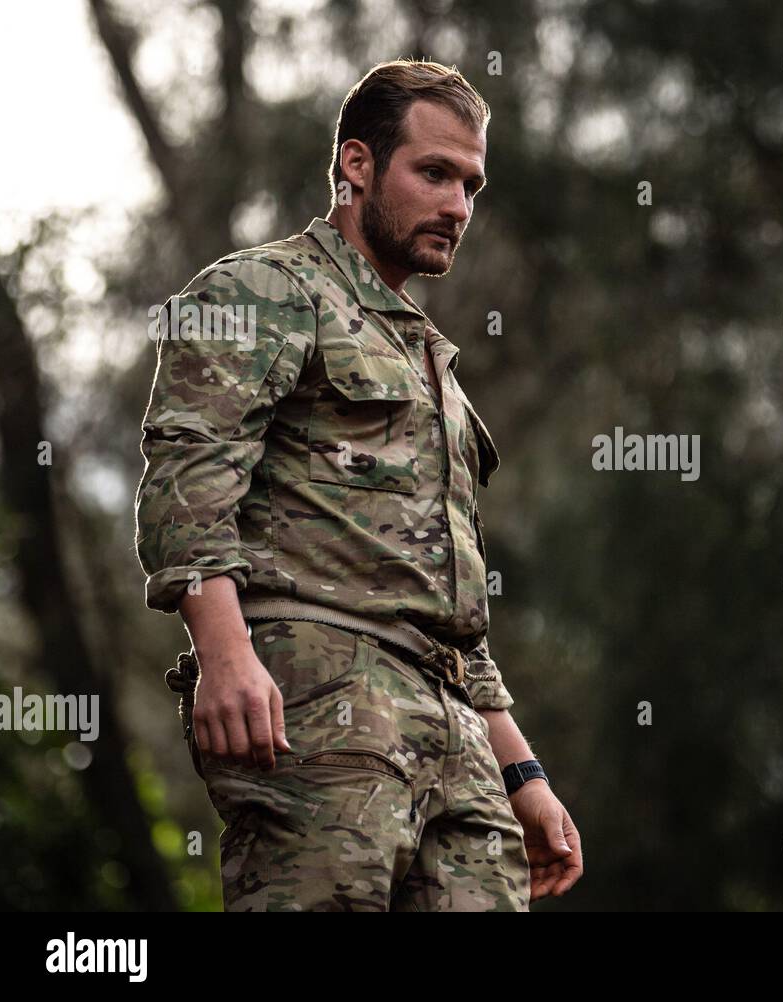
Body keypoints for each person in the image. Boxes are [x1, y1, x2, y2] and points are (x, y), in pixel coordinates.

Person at [135, 59, 582, 911]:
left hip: (454, 732)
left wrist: (521, 770)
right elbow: (186, 480)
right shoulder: (263, 291)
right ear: (357, 165)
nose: (458, 206)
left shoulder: (427, 357)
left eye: (472, 186)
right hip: (320, 699)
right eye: (435, 173)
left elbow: (444, 596)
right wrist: (225, 657)